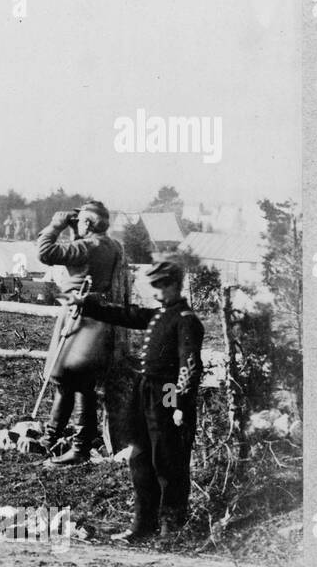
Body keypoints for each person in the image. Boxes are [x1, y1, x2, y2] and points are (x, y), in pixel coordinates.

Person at [67, 260, 203, 542]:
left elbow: (188, 364)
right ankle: (143, 525)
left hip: (167, 391)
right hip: (145, 391)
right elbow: (128, 314)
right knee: (140, 456)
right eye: (154, 286)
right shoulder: (159, 314)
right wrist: (89, 305)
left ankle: (171, 528)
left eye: (161, 286)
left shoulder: (186, 319)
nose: (156, 293)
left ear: (176, 285)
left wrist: (177, 404)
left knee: (167, 459)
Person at [36, 200, 125, 464]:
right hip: (98, 317)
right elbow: (85, 263)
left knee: (72, 381)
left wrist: (56, 225)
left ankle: (77, 447)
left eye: (81, 221)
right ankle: (54, 441)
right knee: (75, 381)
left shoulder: (87, 247)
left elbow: (45, 253)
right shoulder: (111, 246)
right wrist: (78, 230)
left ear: (87, 223)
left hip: (78, 317)